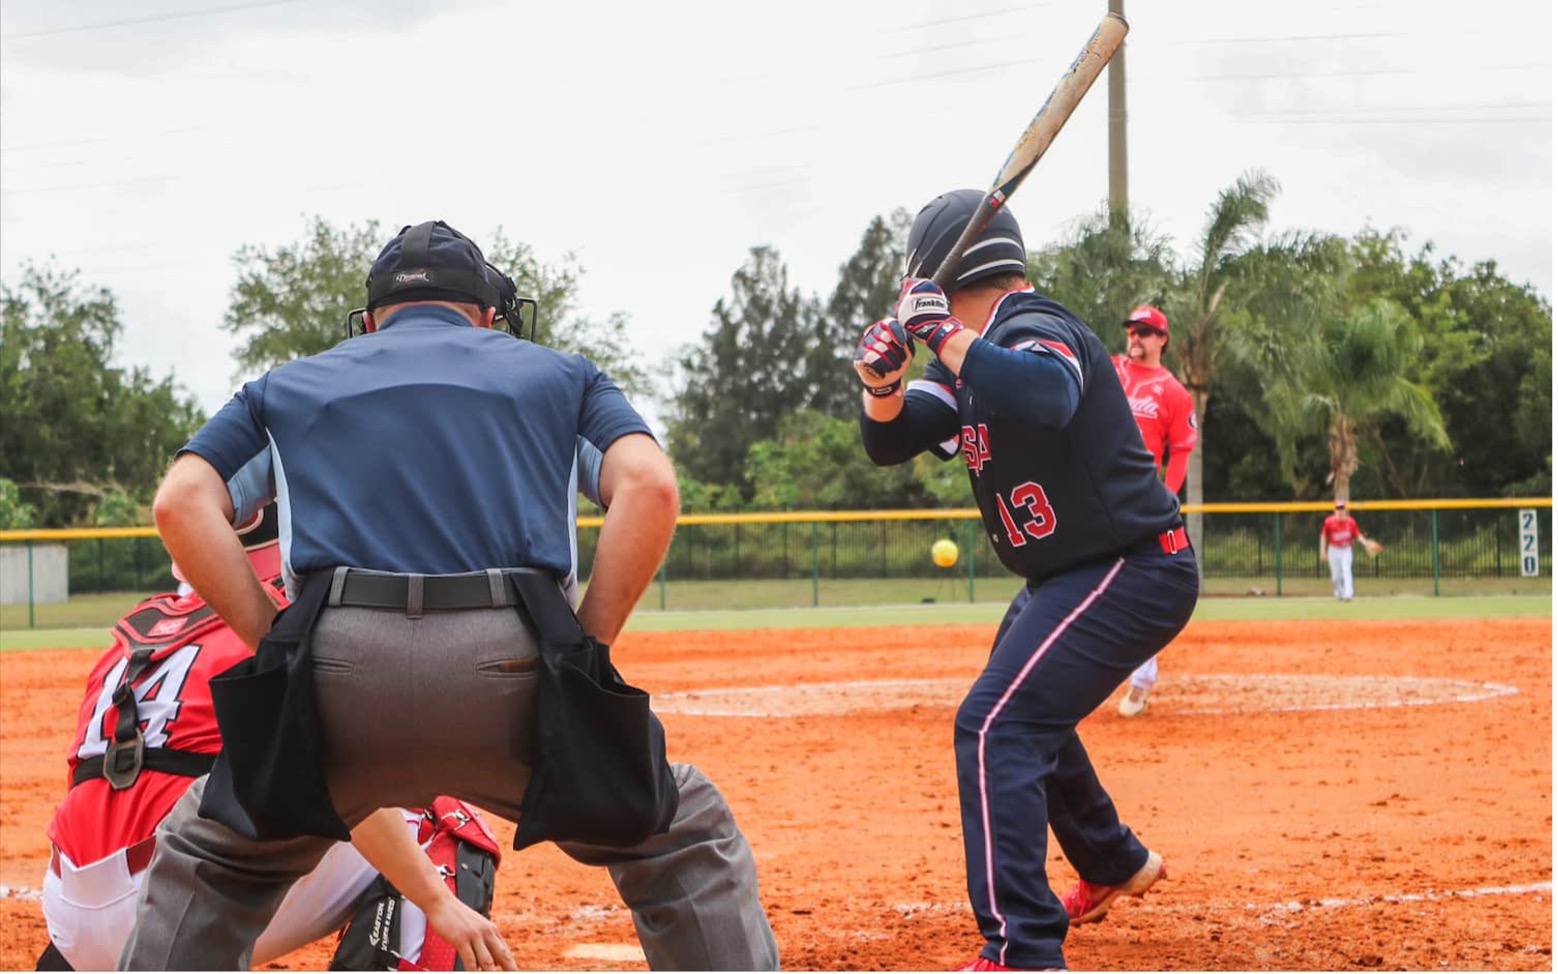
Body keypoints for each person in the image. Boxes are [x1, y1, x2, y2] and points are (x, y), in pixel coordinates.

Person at [118, 220, 777, 971]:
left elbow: (179, 502)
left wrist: (278, 643)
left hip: (337, 679)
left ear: (371, 322)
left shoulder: (285, 386)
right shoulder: (564, 377)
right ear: (487, 316)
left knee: (211, 856)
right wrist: (583, 657)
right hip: (514, 672)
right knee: (683, 833)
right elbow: (651, 488)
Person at [855, 189, 1200, 971]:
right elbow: (893, 441)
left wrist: (941, 332)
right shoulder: (972, 355)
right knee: (1022, 704)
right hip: (1066, 575)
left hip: (1131, 565)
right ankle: (1110, 859)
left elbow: (1046, 394)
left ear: (939, 276)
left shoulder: (1032, 326)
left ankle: (1022, 950)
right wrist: (882, 386)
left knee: (996, 725)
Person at [38, 507, 506, 972]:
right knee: (441, 815)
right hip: (174, 901)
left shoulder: (131, 638)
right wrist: (436, 899)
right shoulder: (274, 618)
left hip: (70, 920)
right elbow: (340, 779)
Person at [1109, 304, 1198, 718]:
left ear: (1162, 339)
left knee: (1135, 589)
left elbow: (1180, 450)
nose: (1135, 337)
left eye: (1145, 331)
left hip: (1138, 499)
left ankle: (1142, 678)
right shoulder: (1110, 370)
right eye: (1132, 330)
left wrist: (1166, 498)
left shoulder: (1173, 391)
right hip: (1094, 492)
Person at [1320, 500, 1372, 601]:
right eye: (1338, 509)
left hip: (1346, 549)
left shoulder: (1351, 522)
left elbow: (1357, 534)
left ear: (1345, 511)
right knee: (1336, 577)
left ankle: (1348, 594)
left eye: (1342, 509)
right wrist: (1323, 551)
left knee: (1346, 570)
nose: (1340, 511)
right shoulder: (1329, 522)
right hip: (1334, 550)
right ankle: (1340, 593)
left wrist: (1365, 543)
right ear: (1335, 511)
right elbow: (1323, 536)